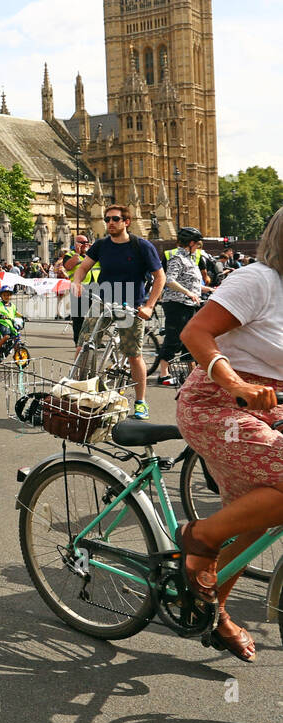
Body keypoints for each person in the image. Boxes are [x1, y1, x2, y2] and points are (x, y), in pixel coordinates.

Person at [170, 206, 283, 664]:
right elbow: (195, 332)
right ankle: (196, 534)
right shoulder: (258, 280)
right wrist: (235, 383)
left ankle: (211, 610)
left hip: (269, 407)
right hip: (216, 402)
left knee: (255, 520)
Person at [70, 204, 166, 420]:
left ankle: (140, 402)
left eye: (115, 219)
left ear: (126, 222)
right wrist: (76, 283)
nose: (110, 223)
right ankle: (77, 392)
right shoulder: (102, 245)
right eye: (107, 220)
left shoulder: (141, 246)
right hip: (103, 301)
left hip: (131, 305)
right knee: (83, 346)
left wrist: (149, 306)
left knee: (134, 356)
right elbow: (83, 268)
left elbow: (160, 277)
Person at [155, 226, 209, 385]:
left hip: (189, 303)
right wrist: (188, 293)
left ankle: (191, 373)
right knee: (174, 338)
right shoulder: (177, 258)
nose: (199, 247)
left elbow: (192, 283)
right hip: (176, 304)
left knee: (189, 338)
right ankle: (163, 374)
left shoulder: (190, 258)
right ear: (191, 243)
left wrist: (208, 289)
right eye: (198, 244)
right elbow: (170, 280)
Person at [0, 286, 24, 362]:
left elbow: (16, 313)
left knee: (16, 337)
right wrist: (1, 315)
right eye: (4, 295)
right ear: (1, 296)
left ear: (10, 296)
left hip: (11, 324)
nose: (6, 297)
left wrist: (23, 316)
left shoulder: (13, 305)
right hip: (2, 324)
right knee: (7, 336)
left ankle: (16, 353)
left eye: (8, 295)